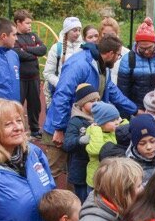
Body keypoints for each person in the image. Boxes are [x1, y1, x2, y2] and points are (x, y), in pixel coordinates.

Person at [42, 36, 138, 186]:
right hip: (61, 125)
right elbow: (62, 94)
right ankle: (45, 199)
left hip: (83, 122)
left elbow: (111, 90)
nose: (118, 59)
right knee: (53, 169)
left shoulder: (102, 66)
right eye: (118, 55)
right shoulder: (79, 64)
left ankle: (71, 200)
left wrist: (135, 110)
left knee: (73, 171)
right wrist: (59, 128)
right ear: (110, 53)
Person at [118, 17, 155, 111]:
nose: (146, 52)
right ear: (137, 44)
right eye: (142, 49)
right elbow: (123, 91)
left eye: (149, 48)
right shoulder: (128, 60)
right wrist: (133, 111)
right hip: (138, 108)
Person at [13, 10, 47, 138]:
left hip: (34, 77)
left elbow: (43, 49)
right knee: (18, 105)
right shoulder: (14, 37)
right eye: (27, 23)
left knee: (35, 104)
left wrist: (26, 49)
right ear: (18, 22)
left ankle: (35, 129)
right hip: (20, 78)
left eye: (30, 23)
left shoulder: (33, 36)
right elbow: (18, 53)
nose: (30, 26)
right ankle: (17, 129)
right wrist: (34, 53)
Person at [63, 83, 100, 202]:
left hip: (95, 169)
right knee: (83, 199)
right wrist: (80, 140)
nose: (96, 103)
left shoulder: (100, 117)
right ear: (82, 103)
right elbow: (67, 144)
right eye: (92, 101)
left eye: (97, 100)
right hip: (80, 170)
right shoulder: (75, 121)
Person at [86, 102, 128, 193]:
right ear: (101, 123)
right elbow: (97, 150)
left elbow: (127, 135)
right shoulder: (94, 133)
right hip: (97, 180)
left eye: (117, 118)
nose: (117, 122)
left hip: (112, 178)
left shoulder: (115, 131)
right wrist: (96, 130)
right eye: (112, 120)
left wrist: (123, 123)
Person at [44, 17, 84, 97]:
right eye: (74, 30)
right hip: (61, 91)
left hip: (79, 91)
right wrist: (61, 85)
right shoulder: (56, 48)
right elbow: (48, 73)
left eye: (79, 30)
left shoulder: (83, 47)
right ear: (67, 31)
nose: (78, 33)